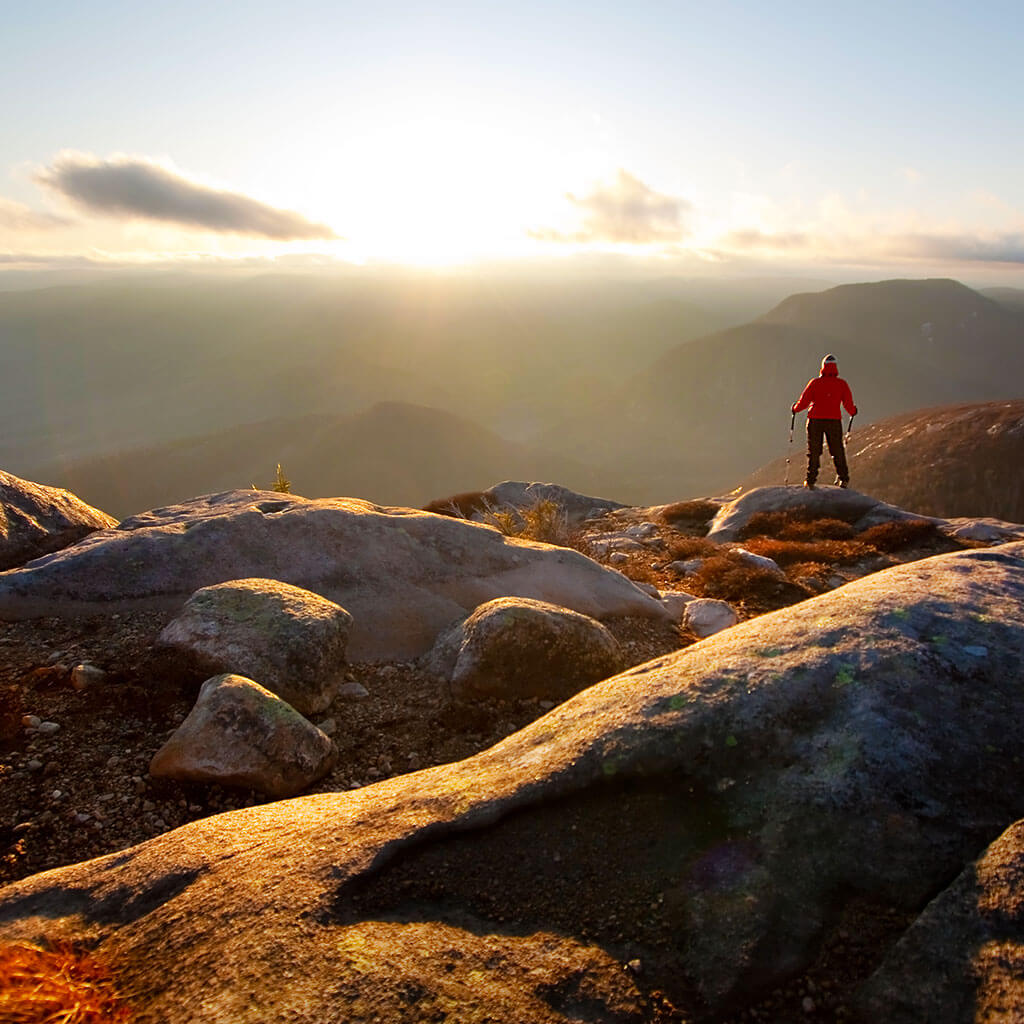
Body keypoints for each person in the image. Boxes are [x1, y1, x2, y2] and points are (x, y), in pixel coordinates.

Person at [791, 354, 857, 489]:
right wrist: (853, 411)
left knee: (814, 451)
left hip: (815, 420)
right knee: (837, 450)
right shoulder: (841, 384)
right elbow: (848, 405)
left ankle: (810, 480)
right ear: (835, 368)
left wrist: (795, 409)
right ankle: (843, 478)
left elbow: (803, 402)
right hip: (834, 420)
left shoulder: (815, 383)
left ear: (823, 367)